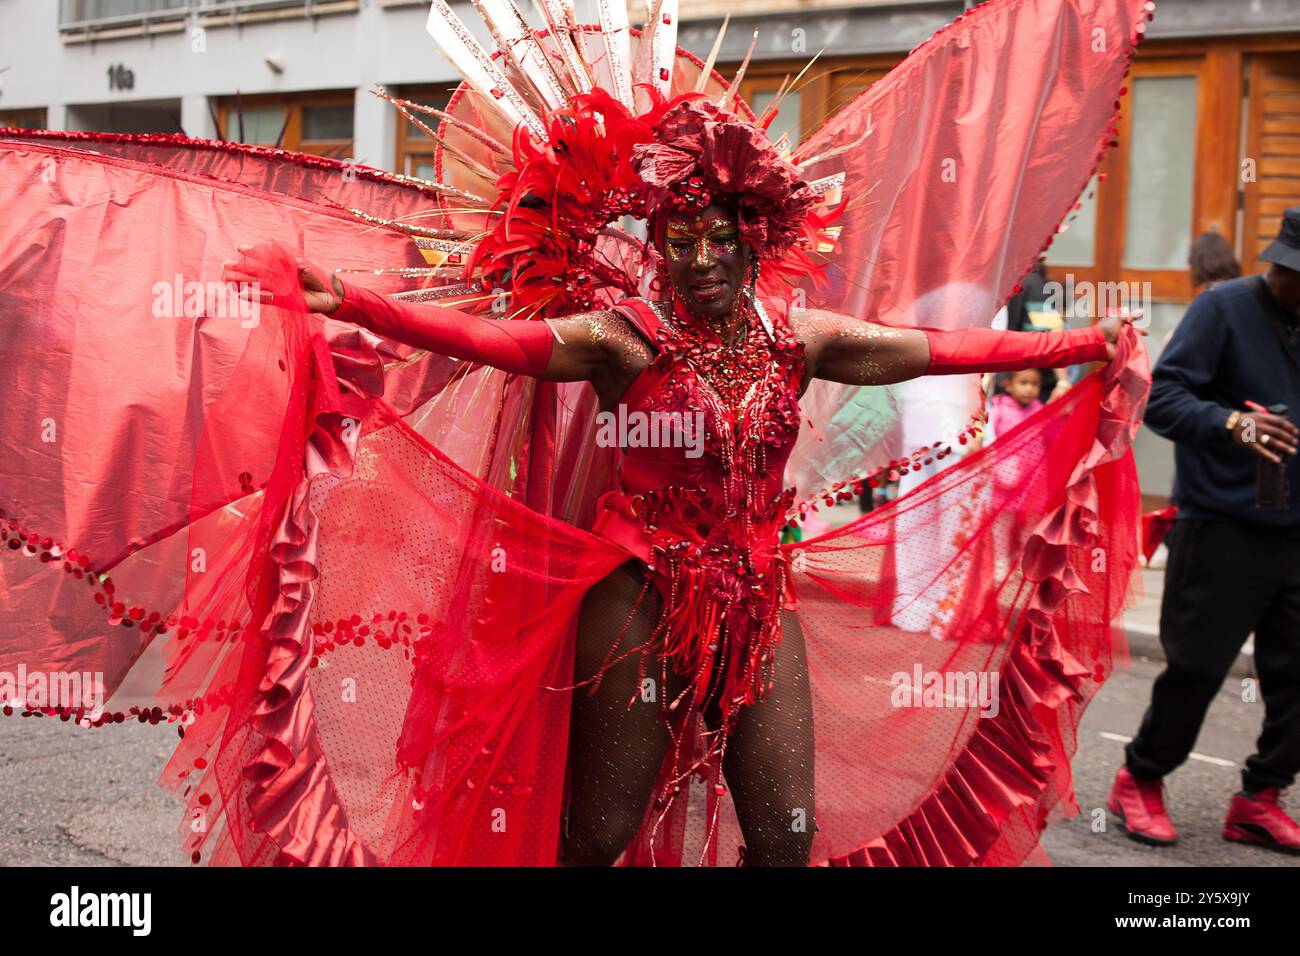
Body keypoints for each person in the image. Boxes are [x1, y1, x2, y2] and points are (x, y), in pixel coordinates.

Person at [0, 0, 1157, 867]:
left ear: (755, 236)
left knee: (785, 833)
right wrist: (354, 306)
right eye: (680, 236)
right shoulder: (623, 338)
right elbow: (489, 349)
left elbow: (938, 351)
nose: (698, 255)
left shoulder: (802, 335)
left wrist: (1074, 352)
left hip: (760, 591)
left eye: (718, 236)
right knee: (596, 836)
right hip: (640, 591)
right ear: (660, 240)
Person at [1108, 206, 1300, 854]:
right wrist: (1231, 425)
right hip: (1222, 523)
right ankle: (1139, 777)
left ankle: (1260, 797)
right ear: (1279, 266)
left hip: (1295, 527)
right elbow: (1160, 399)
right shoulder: (1223, 309)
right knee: (1196, 669)